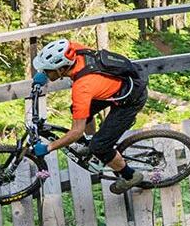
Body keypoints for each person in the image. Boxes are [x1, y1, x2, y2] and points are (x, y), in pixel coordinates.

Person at [29, 39, 151, 192]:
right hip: (117, 84)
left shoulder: (82, 88)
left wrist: (49, 147)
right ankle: (91, 141)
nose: (44, 73)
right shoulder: (74, 50)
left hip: (130, 98)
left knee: (100, 146)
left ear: (61, 69)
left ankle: (130, 176)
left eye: (47, 70)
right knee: (77, 110)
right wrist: (42, 79)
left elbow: (76, 131)